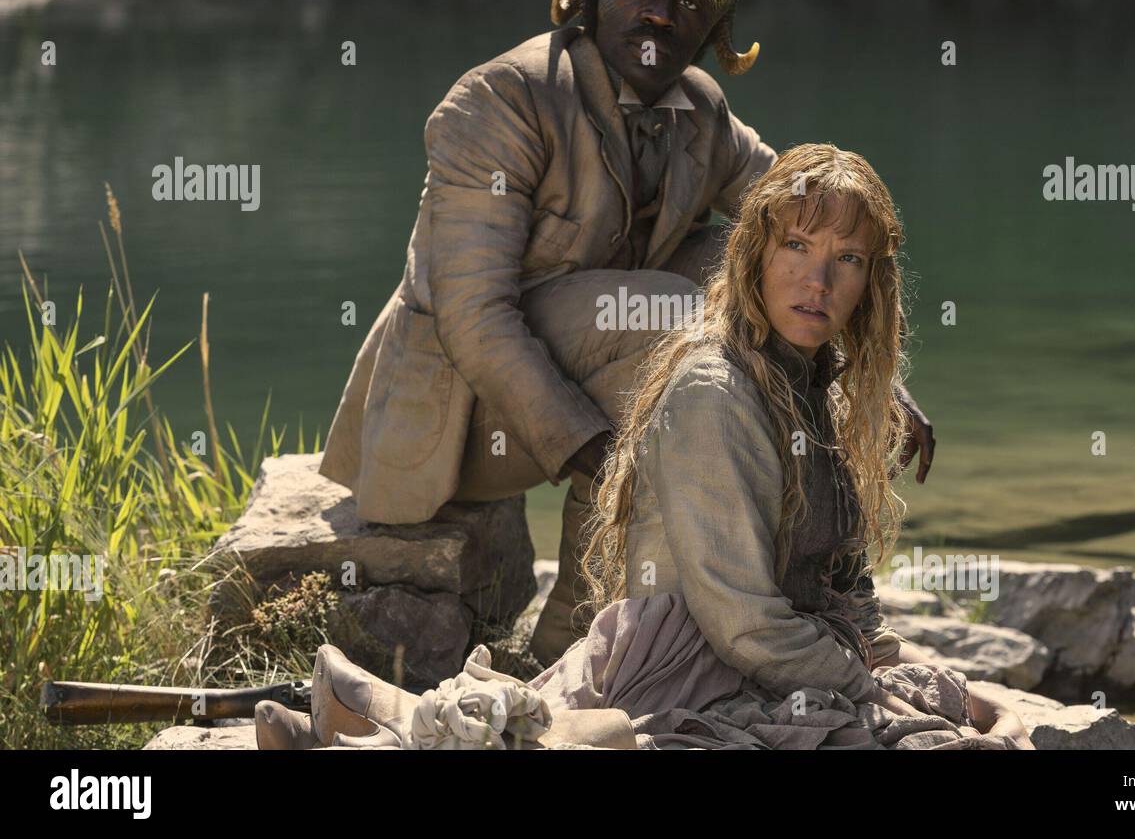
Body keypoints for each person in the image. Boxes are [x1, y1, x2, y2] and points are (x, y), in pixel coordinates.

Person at [313, 0, 938, 666]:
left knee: (754, 256)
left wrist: (875, 383)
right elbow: (472, 314)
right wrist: (584, 440)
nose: (659, 16)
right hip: (463, 412)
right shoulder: (501, 98)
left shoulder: (701, 112)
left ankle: (588, 652)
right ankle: (616, 655)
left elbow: (822, 219)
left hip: (602, 368)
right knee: (683, 325)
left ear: (717, 27)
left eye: (688, 1)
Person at [257, 144, 1031, 750]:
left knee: (949, 719)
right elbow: (741, 621)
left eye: (848, 260)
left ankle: (369, 716)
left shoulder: (823, 393)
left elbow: (846, 591)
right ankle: (374, 731)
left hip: (777, 657)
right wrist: (861, 687)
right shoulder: (714, 394)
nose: (818, 279)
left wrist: (886, 668)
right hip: (692, 667)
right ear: (755, 255)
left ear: (873, 282)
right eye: (796, 246)